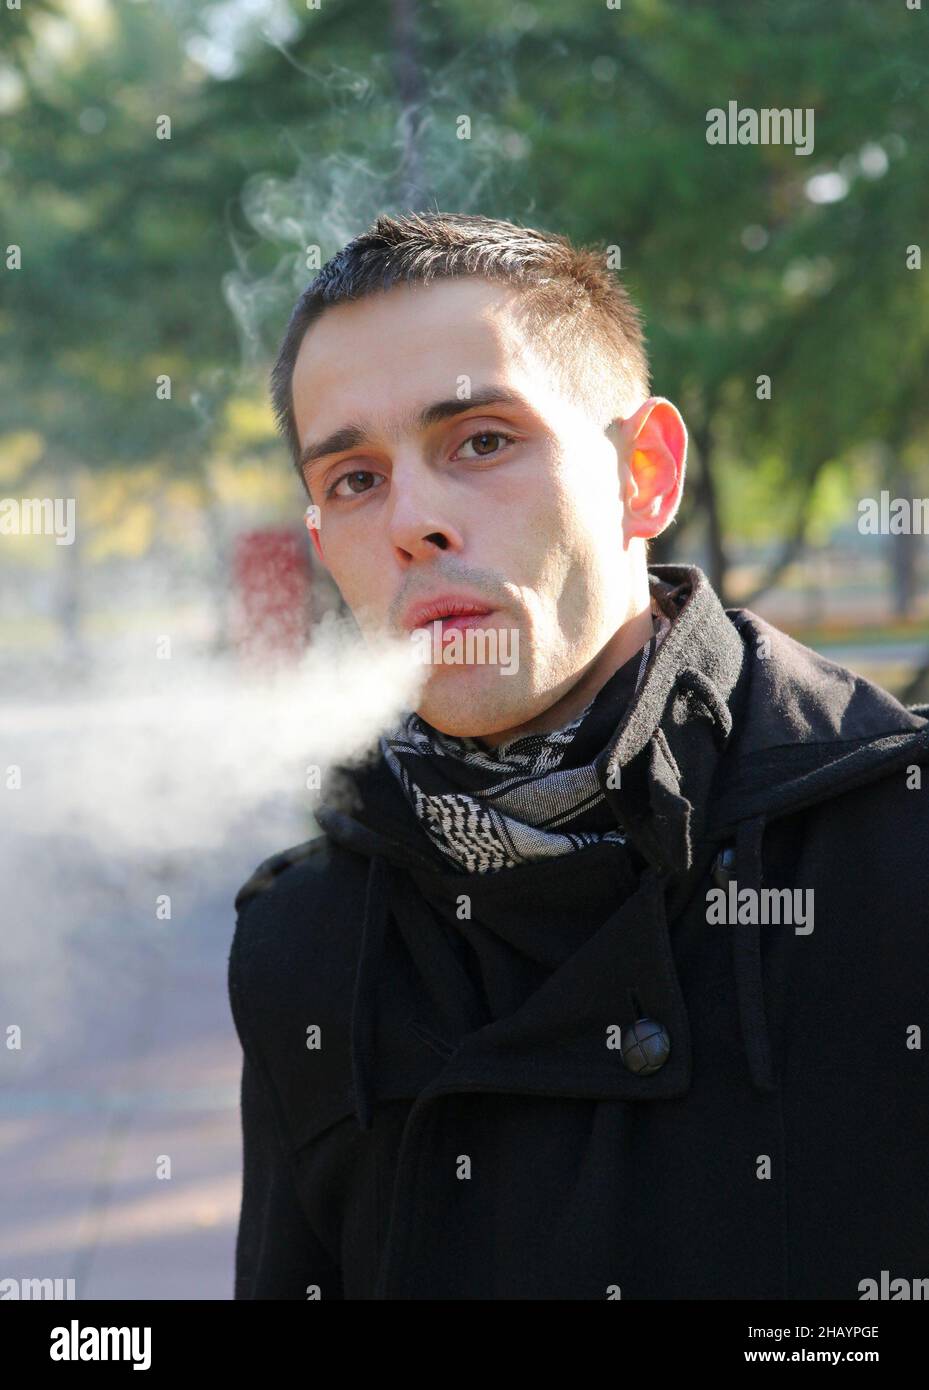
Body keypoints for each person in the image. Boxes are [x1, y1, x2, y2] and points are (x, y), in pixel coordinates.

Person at [228, 210, 929, 1300]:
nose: (412, 519)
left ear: (642, 473)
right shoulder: (303, 944)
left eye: (481, 441)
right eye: (354, 479)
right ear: (323, 542)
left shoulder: (894, 849)